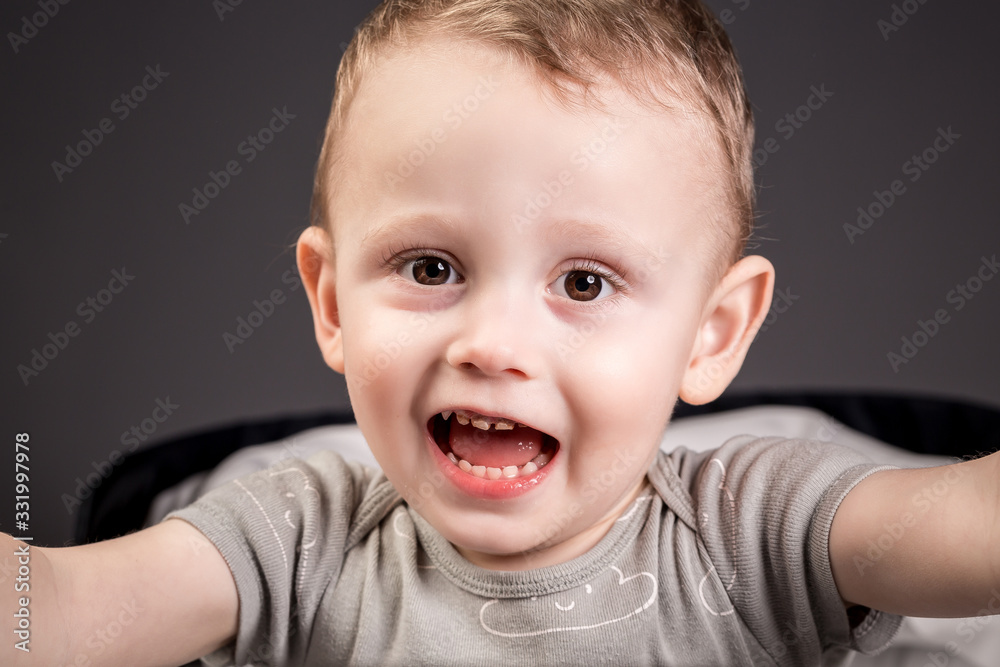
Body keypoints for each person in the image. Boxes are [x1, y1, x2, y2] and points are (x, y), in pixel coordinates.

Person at [4, 1, 998, 665]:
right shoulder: (297, 538)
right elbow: (56, 608)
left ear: (710, 334)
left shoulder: (750, 528)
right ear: (334, 303)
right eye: (430, 267)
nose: (492, 341)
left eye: (584, 280)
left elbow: (970, 527)